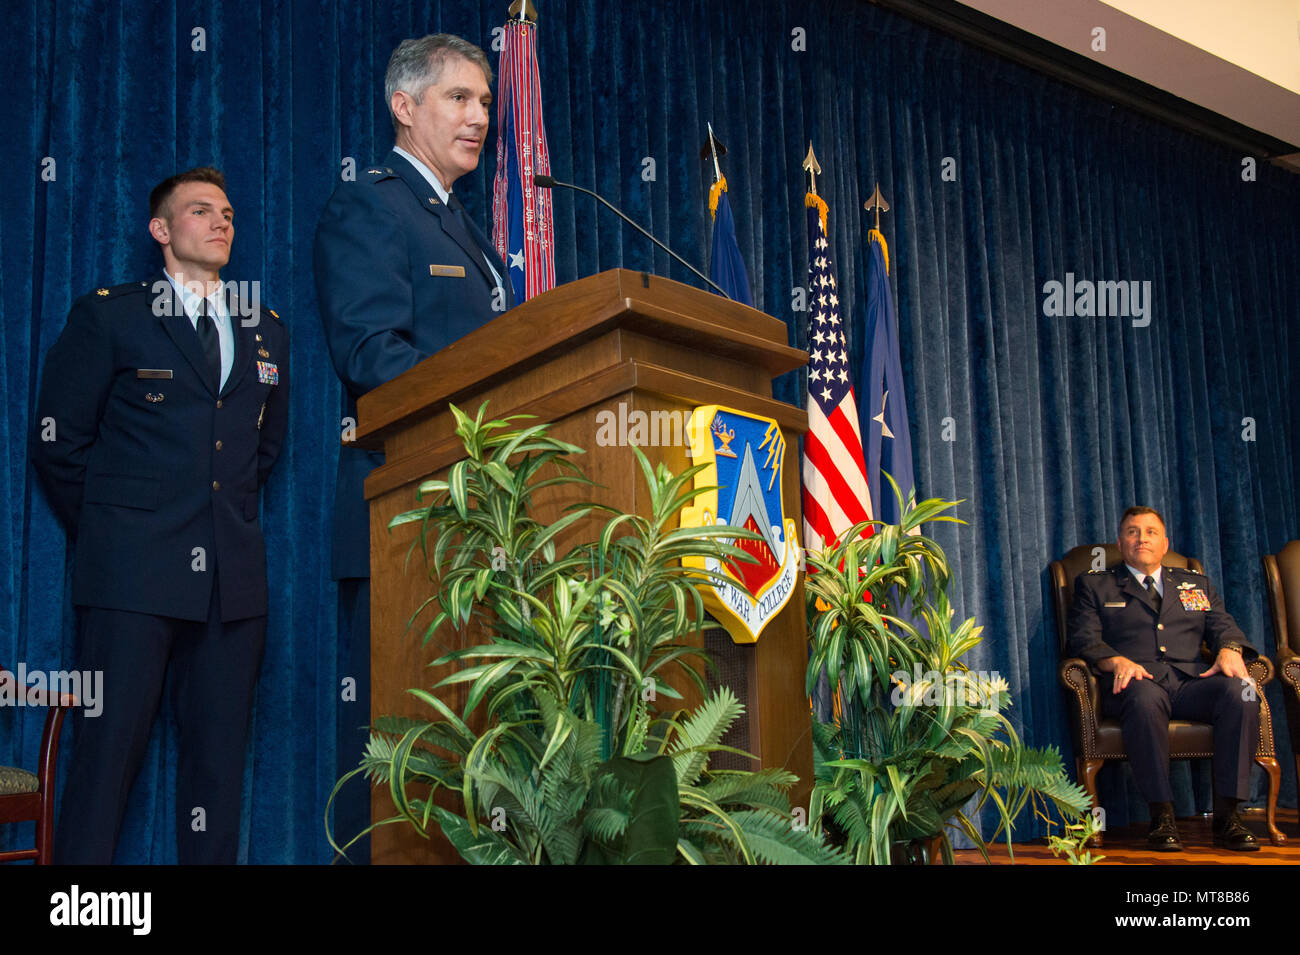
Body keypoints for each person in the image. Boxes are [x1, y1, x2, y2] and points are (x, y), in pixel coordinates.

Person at [31, 167, 289, 864]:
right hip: (132, 579)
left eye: (229, 212)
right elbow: (57, 439)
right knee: (105, 765)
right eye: (201, 210)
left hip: (231, 586)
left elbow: (261, 452)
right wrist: (121, 531)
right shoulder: (111, 315)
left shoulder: (265, 327)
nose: (221, 221)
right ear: (161, 230)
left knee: (218, 772)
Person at [313, 34, 512, 860]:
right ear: (405, 107)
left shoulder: (458, 222)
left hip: (480, 520)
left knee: (471, 756)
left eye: (485, 102)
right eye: (459, 99)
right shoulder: (372, 204)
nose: (478, 116)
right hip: (409, 512)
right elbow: (372, 357)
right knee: (400, 749)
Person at [1067, 505, 1260, 851]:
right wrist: (1114, 661)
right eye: (1133, 531)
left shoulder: (1194, 583)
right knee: (1145, 698)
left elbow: (1223, 626)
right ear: (1120, 541)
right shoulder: (1097, 584)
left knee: (1241, 692)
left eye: (1151, 532)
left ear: (1165, 542)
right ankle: (1162, 816)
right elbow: (1083, 638)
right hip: (1133, 682)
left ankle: (1229, 816)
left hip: (1189, 681)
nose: (1142, 539)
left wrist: (1230, 648)